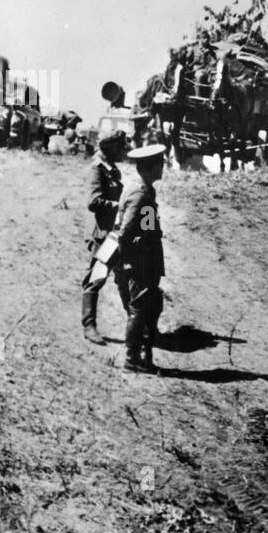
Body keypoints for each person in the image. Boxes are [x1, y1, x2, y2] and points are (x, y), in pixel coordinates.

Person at [118, 143, 168, 374]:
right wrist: (133, 258)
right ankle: (131, 360)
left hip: (147, 262)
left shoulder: (146, 191)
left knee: (148, 309)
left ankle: (140, 357)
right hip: (141, 264)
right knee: (138, 311)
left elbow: (146, 226)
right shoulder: (140, 195)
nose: (163, 167)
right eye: (160, 163)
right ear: (150, 167)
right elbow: (125, 232)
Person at [82, 130, 131, 345]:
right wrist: (119, 207)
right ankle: (89, 326)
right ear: (111, 148)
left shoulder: (112, 170)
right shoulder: (97, 169)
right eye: (121, 147)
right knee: (96, 279)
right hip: (105, 236)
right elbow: (93, 202)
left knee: (125, 279)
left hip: (117, 234)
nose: (124, 151)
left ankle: (136, 323)